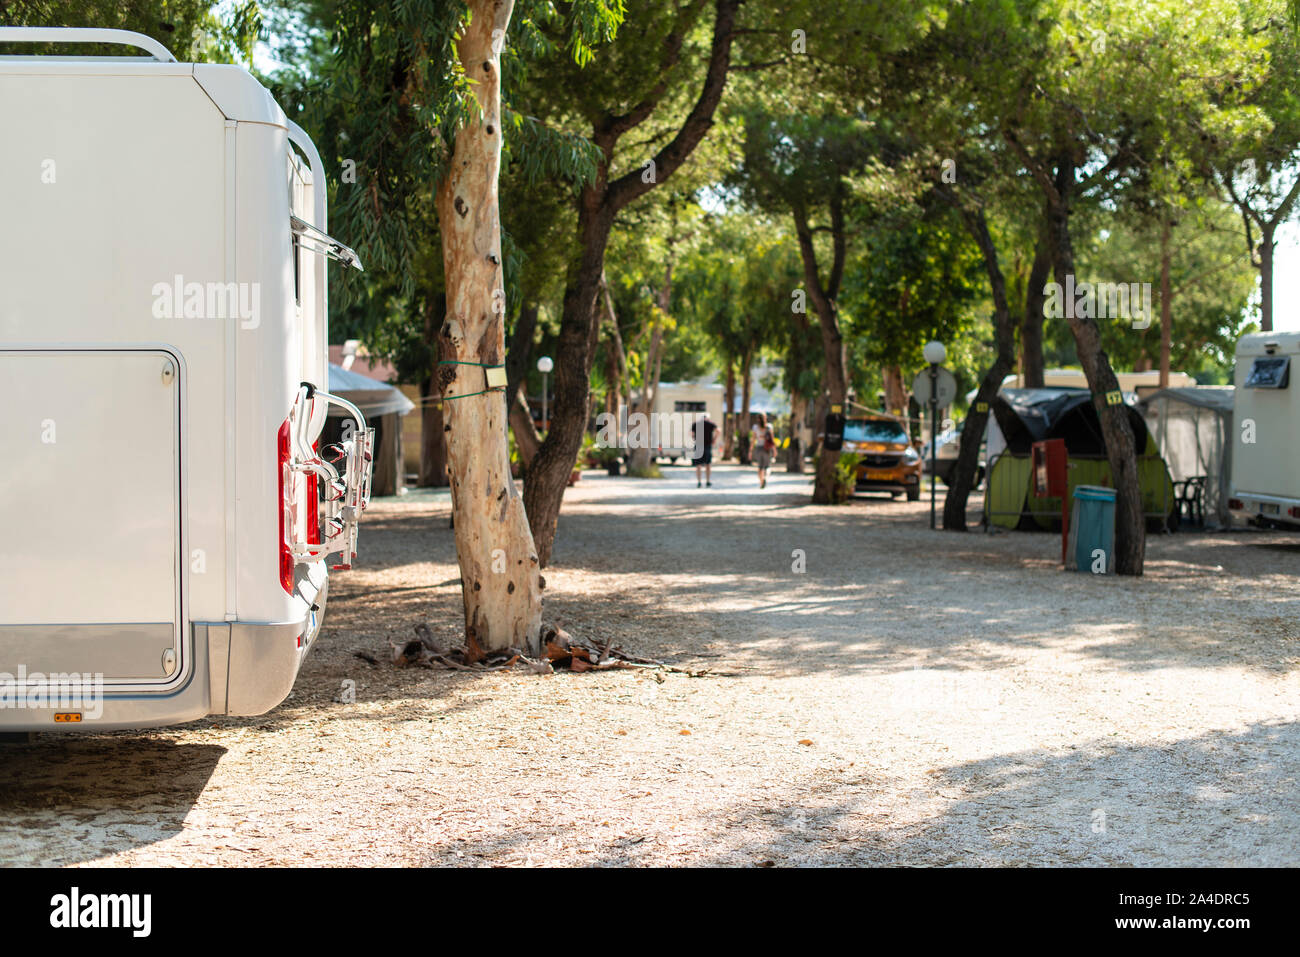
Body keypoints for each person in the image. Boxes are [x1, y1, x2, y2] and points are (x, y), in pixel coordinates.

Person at [689, 413, 718, 487]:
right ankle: (708, 481)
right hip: (707, 446)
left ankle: (699, 482)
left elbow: (692, 434)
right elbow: (718, 431)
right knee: (708, 464)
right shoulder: (711, 424)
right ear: (707, 418)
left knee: (698, 465)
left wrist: (694, 439)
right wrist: (714, 439)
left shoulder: (695, 424)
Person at [750, 412, 776, 488]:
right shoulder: (769, 427)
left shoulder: (755, 427)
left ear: (758, 419)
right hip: (767, 448)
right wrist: (774, 450)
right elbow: (772, 440)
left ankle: (761, 481)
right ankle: (765, 478)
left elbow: (753, 439)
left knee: (760, 467)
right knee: (767, 467)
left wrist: (750, 450)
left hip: (759, 448)